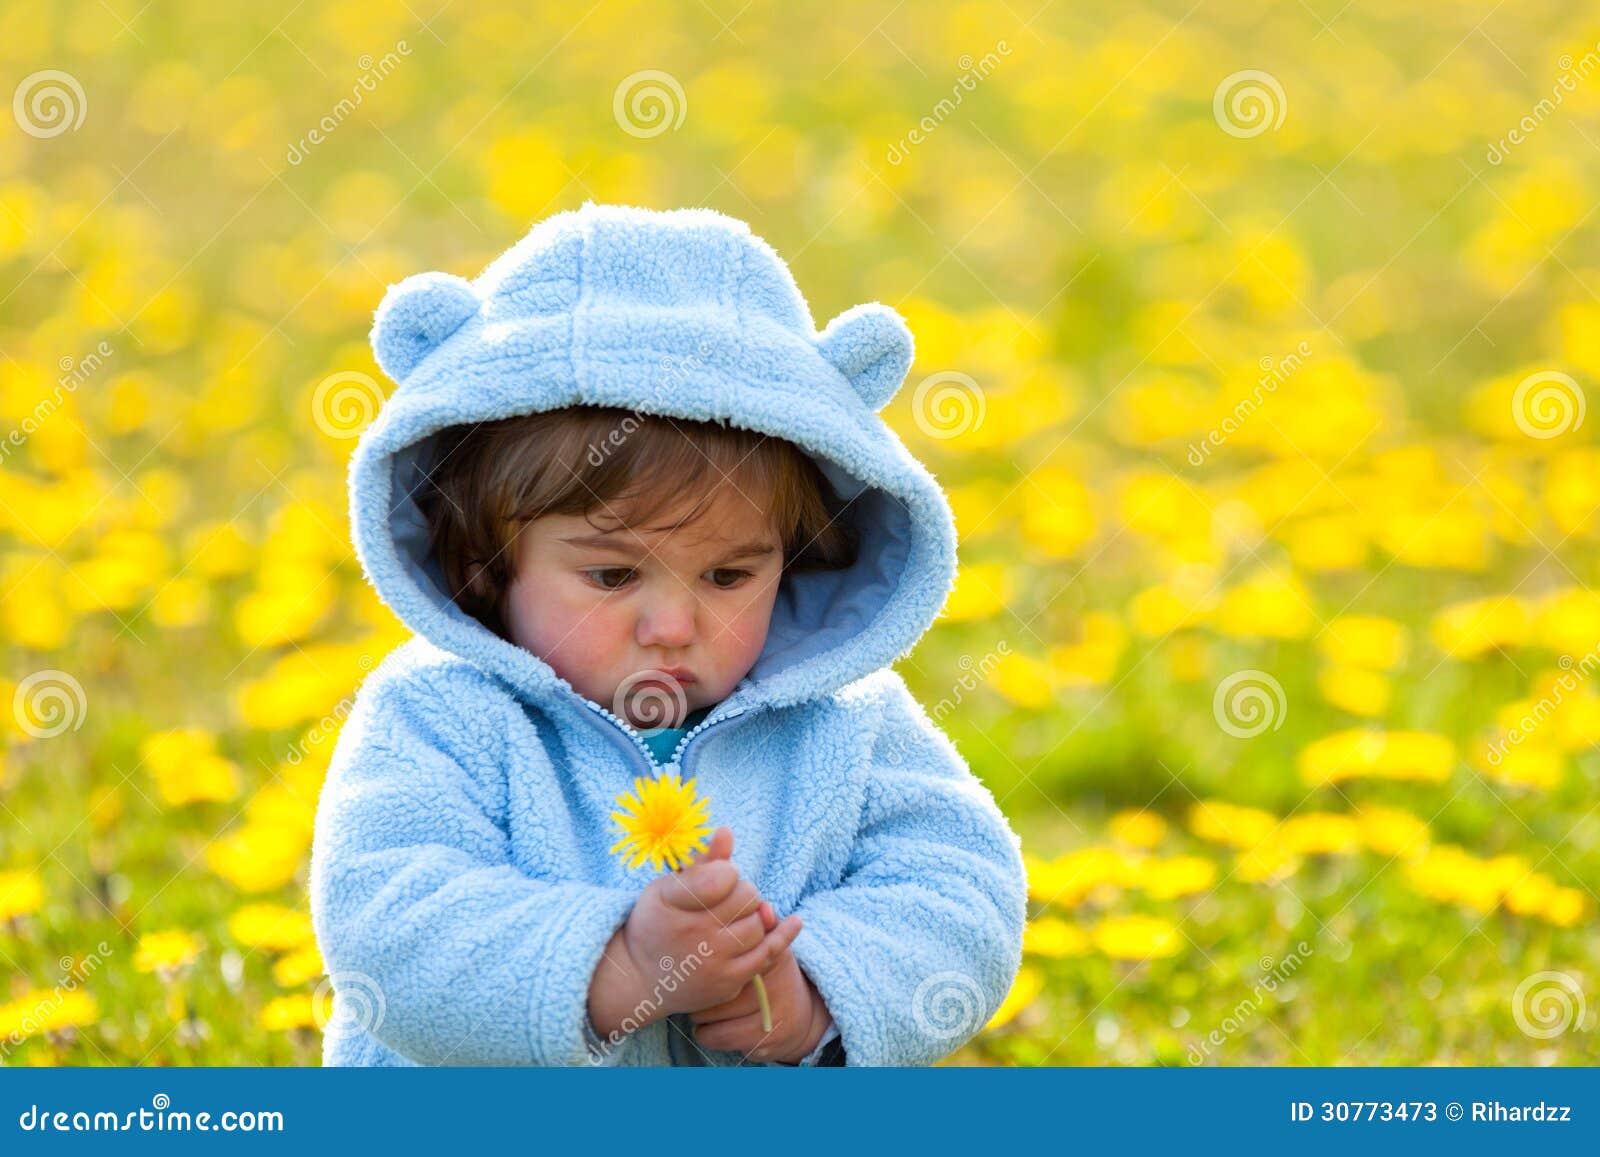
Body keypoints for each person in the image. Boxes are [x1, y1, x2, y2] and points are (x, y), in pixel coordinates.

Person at [309, 201, 1027, 1066]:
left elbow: (960, 888)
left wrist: (818, 994)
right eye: (613, 576)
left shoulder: (848, 720)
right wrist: (616, 967)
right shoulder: (437, 711)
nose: (674, 628)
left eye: (728, 576)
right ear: (486, 559)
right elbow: (388, 922)